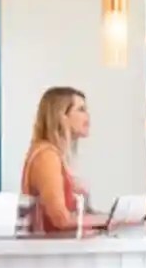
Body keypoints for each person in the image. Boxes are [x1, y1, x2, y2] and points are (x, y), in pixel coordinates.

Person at [21, 87, 106, 232]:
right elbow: (61, 219)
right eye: (81, 110)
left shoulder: (52, 155)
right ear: (61, 116)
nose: (88, 117)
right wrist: (113, 220)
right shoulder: (47, 156)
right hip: (51, 251)